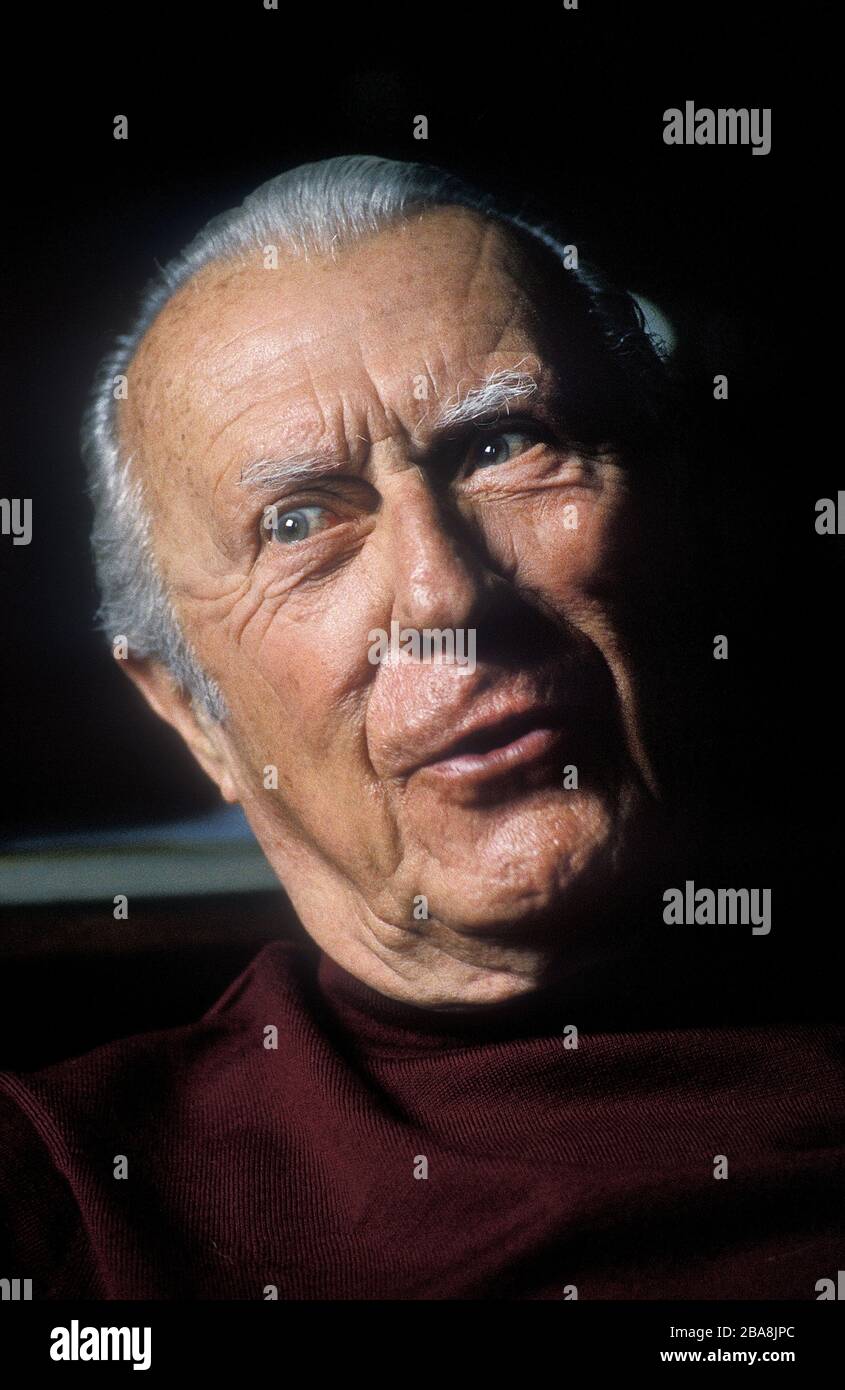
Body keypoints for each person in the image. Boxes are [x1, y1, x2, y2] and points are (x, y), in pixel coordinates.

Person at [0, 156, 839, 1299]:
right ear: (192, 714)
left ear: (680, 516)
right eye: (298, 522)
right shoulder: (73, 1214)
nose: (444, 598)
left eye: (501, 445)